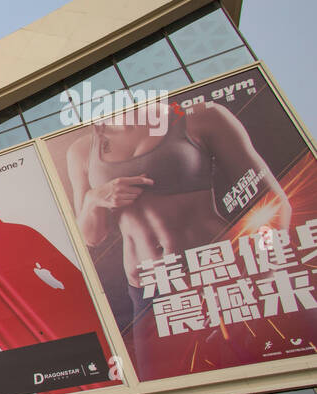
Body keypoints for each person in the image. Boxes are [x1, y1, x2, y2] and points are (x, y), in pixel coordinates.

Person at [65, 98, 290, 374]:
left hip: (217, 277)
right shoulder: (81, 149)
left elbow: (273, 204)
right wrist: (92, 199)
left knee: (270, 374)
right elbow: (90, 237)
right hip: (150, 293)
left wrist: (259, 283)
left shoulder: (201, 116)